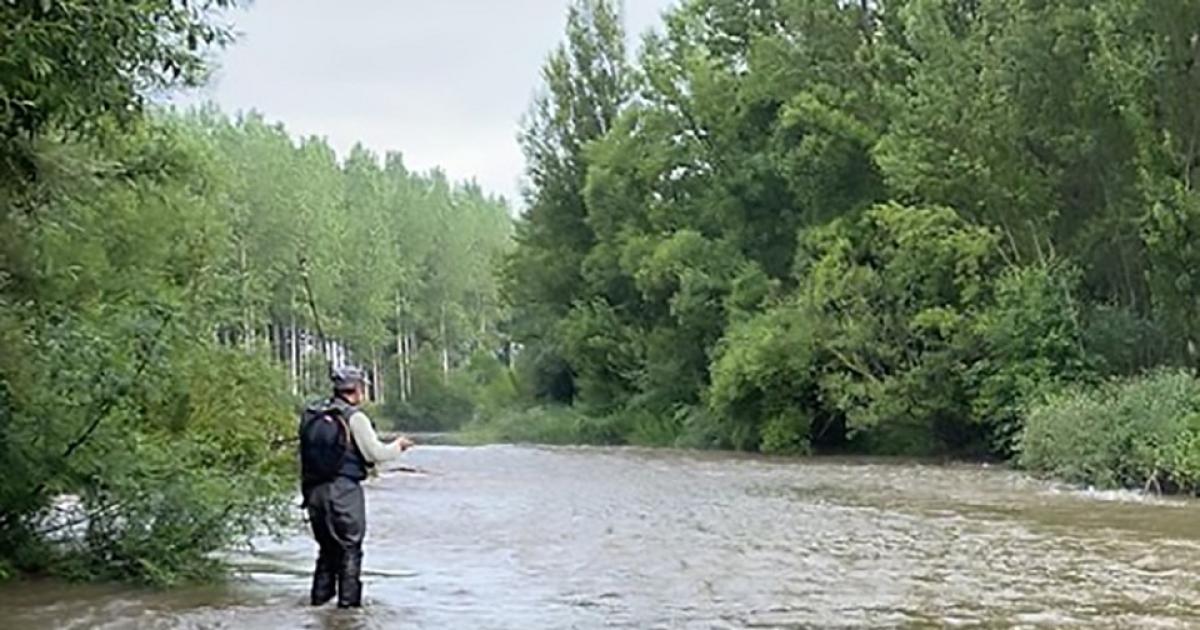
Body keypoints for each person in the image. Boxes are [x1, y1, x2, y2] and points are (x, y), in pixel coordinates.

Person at [299, 366, 414, 608]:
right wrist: (399, 446)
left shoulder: (311, 413)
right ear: (358, 389)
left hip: (313, 493)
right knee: (350, 549)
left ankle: (318, 606)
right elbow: (375, 454)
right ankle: (348, 610)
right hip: (343, 492)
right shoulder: (355, 418)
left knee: (327, 551)